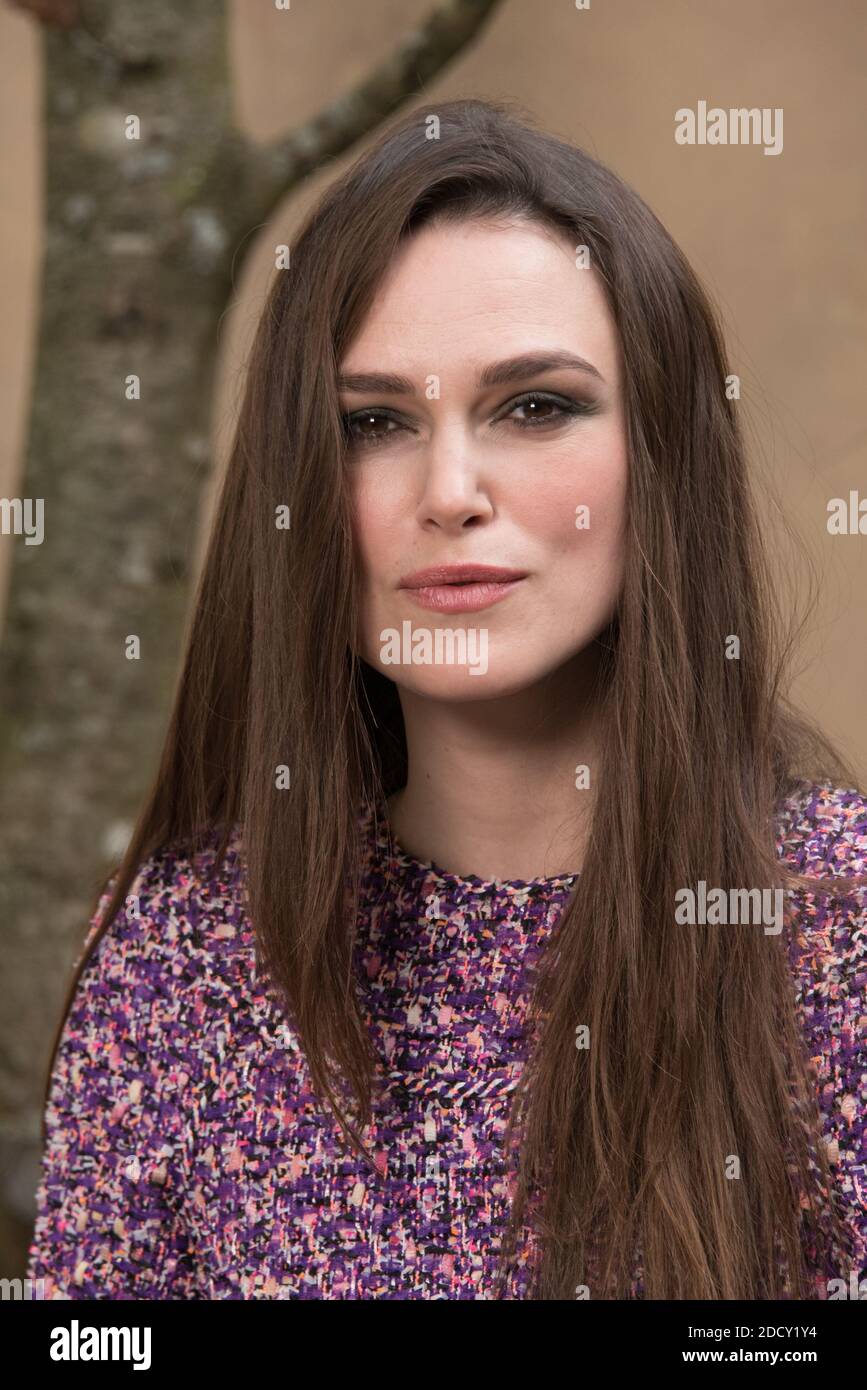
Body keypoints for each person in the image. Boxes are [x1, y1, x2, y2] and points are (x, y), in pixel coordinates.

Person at [27, 97, 867, 1300]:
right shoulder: (185, 950)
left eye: (534, 406)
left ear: (663, 458)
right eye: (375, 422)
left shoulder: (837, 935)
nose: (452, 490)